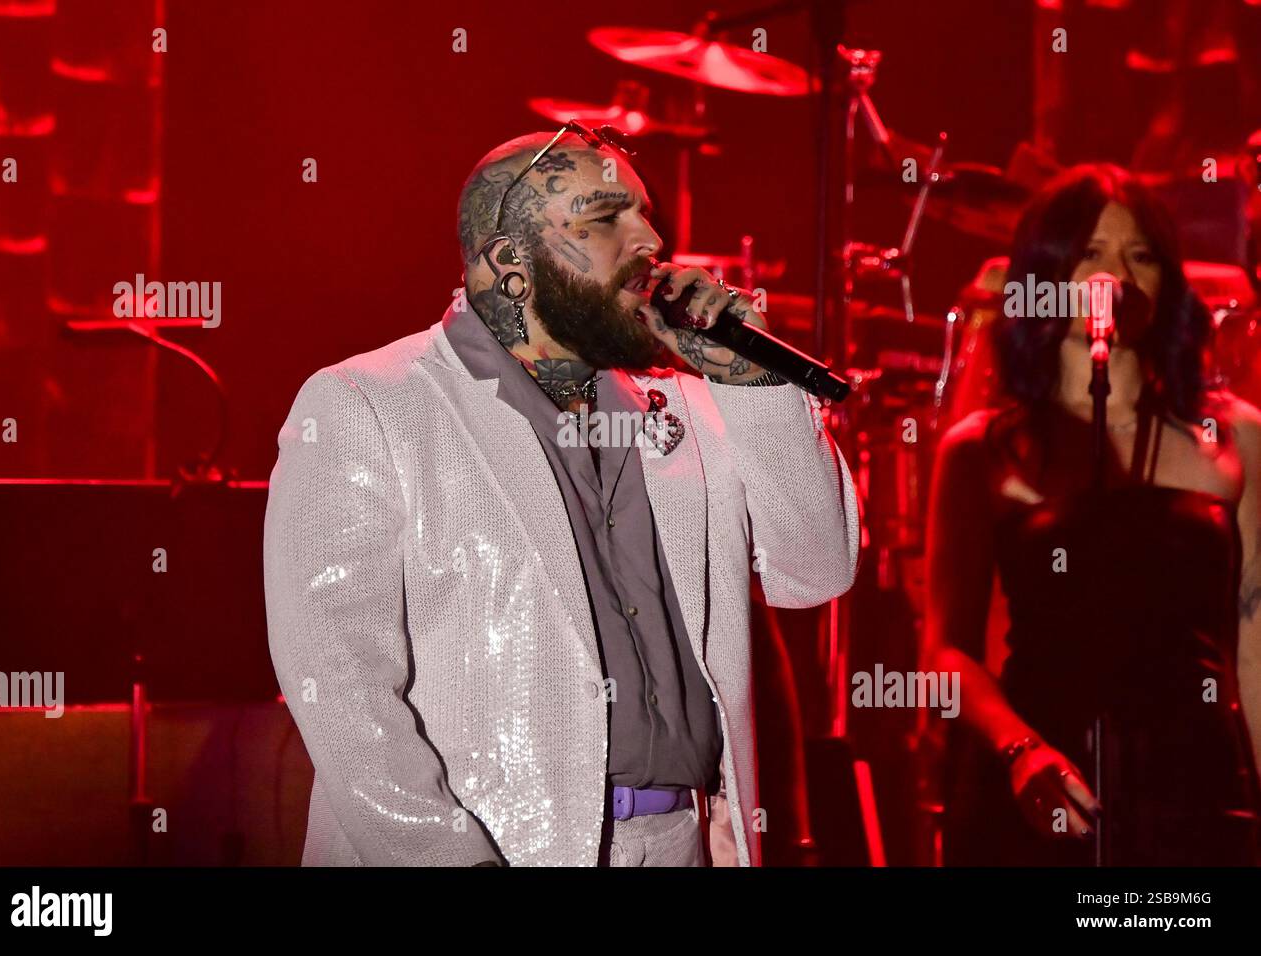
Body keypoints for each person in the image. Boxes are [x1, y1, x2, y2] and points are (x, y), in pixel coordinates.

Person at [263, 125, 859, 867]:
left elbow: (814, 571)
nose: (651, 239)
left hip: (681, 841)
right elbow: (340, 684)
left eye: (646, 214)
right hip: (494, 844)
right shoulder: (369, 406)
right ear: (511, 262)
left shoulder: (688, 407)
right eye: (607, 217)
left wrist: (751, 381)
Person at [925, 163, 1261, 865]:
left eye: (1140, 255)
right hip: (1046, 778)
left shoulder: (1233, 439)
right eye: (1091, 254)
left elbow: (1253, 644)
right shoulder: (984, 449)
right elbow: (948, 650)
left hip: (1192, 787)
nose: (1118, 275)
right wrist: (1019, 751)